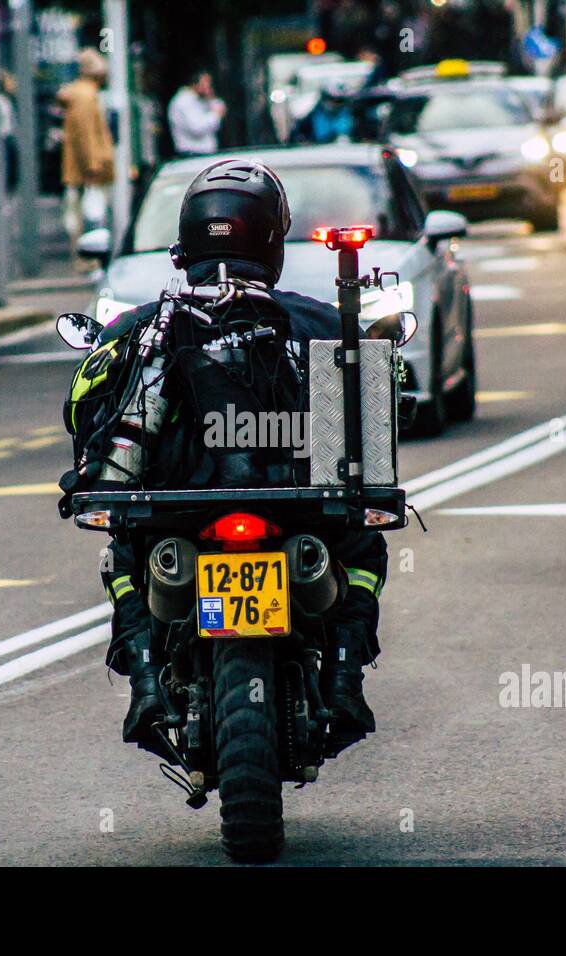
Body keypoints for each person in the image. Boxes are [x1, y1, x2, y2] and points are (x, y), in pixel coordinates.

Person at [72, 160, 388, 757]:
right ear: (273, 238)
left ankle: (145, 686)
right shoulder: (323, 322)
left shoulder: (140, 329)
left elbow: (85, 410)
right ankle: (345, 680)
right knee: (364, 546)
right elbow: (377, 418)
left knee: (121, 556)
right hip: (300, 511)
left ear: (186, 238)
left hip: (176, 514)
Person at [57, 48, 115, 269]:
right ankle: (87, 260)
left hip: (81, 168)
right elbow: (87, 134)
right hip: (89, 169)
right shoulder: (86, 96)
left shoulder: (80, 94)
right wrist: (92, 166)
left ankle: (84, 258)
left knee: (80, 213)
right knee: (88, 215)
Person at [167, 70, 225, 157]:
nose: (209, 87)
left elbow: (218, 108)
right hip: (192, 153)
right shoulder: (184, 101)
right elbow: (197, 128)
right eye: (206, 83)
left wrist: (212, 99)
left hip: (203, 152)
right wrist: (215, 115)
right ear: (196, 84)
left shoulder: (199, 100)